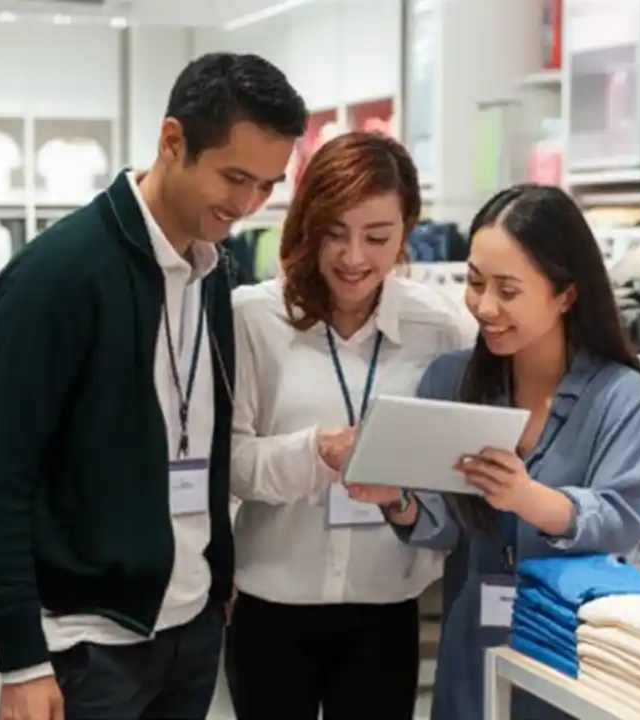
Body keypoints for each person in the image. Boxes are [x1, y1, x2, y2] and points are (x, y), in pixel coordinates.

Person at [0, 53, 307, 720]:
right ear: (172, 141)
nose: (246, 204)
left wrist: (219, 576)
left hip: (192, 629)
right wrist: (21, 659)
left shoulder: (213, 272)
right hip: (88, 646)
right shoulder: (56, 277)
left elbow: (202, 437)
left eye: (266, 185)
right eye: (234, 177)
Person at [347, 183, 640, 720]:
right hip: (474, 640)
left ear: (565, 294)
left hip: (572, 643)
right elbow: (445, 524)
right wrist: (396, 499)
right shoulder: (450, 378)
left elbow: (624, 521)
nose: (484, 307)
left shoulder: (620, 394)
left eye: (508, 290)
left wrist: (527, 497)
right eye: (474, 283)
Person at [225, 131, 474, 720]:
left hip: (385, 608)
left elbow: (454, 466)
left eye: (377, 237)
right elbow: (231, 465)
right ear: (307, 225)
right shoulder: (253, 319)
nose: (353, 257)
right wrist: (318, 452)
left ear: (407, 231)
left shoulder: (440, 330)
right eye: (334, 233)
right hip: (271, 604)